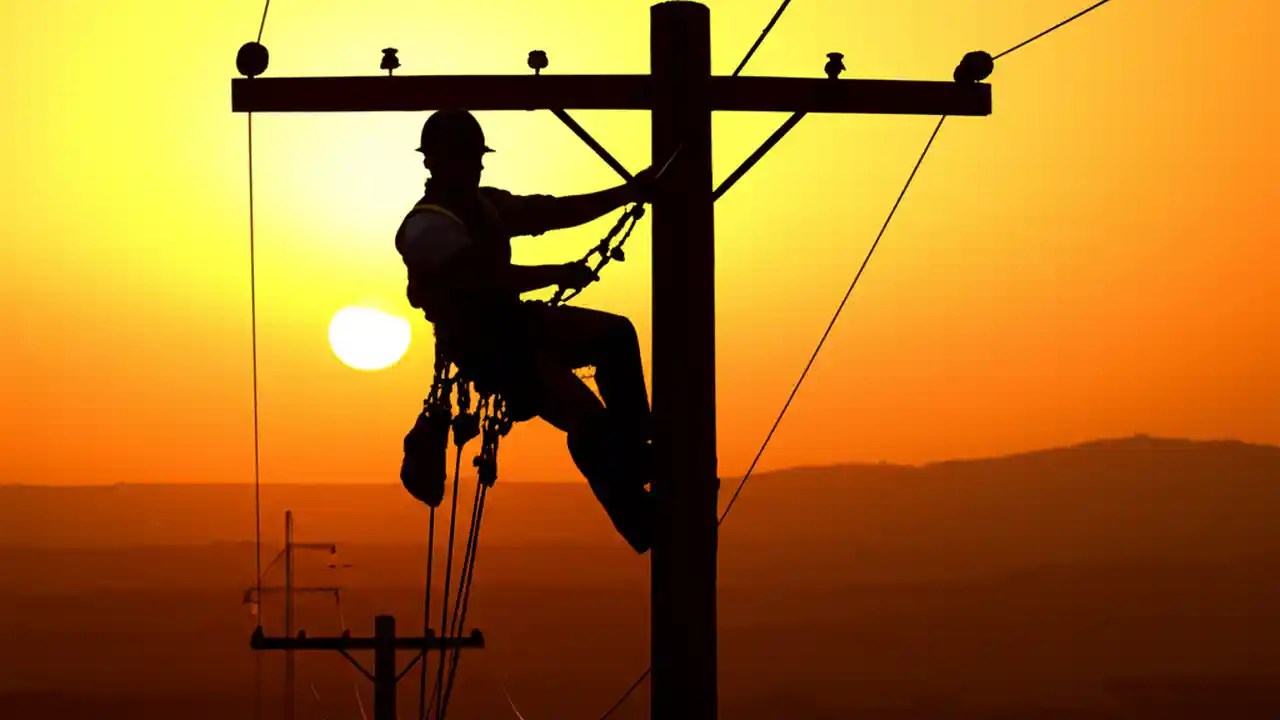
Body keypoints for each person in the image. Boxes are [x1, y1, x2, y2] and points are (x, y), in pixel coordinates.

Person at [395, 108, 660, 553]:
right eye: (466, 157)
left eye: (476, 158)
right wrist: (557, 272)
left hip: (517, 327)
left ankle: (636, 452)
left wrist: (628, 192)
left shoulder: (486, 205)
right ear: (434, 162)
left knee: (614, 336)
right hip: (490, 349)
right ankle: (639, 517)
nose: (476, 166)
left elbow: (550, 212)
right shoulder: (425, 227)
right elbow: (480, 278)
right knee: (585, 417)